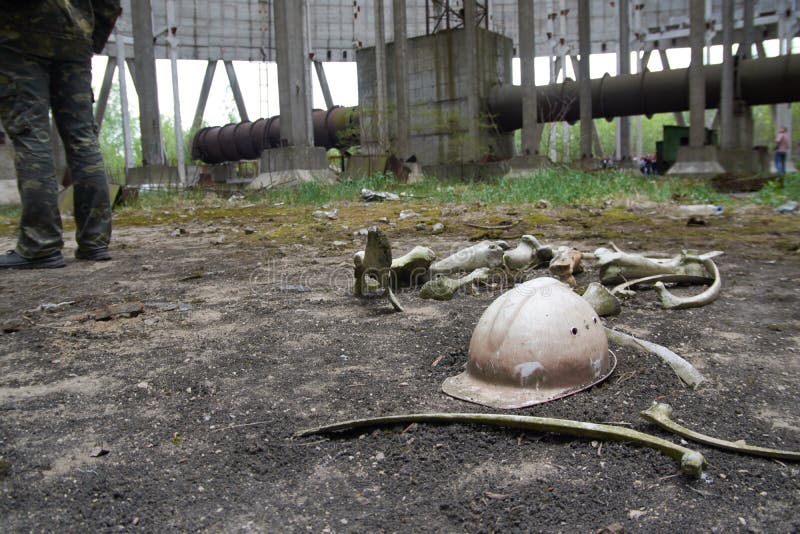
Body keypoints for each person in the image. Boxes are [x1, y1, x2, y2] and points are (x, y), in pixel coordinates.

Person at [0, 0, 121, 269]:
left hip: (19, 32)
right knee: (83, 138)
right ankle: (95, 241)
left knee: (30, 133)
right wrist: (87, 35)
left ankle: (41, 244)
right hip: (75, 37)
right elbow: (110, 3)